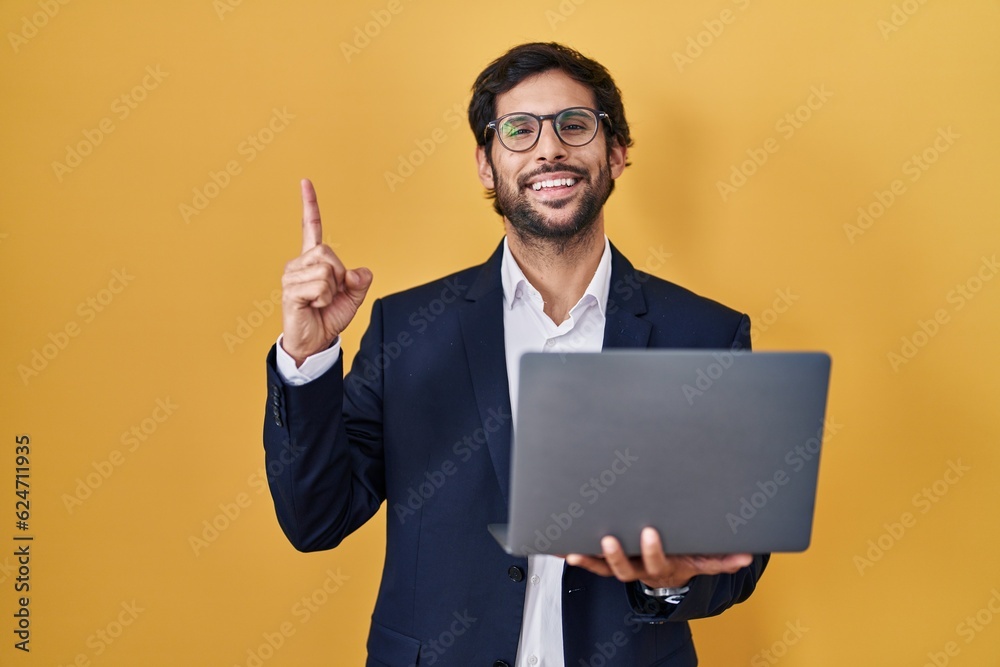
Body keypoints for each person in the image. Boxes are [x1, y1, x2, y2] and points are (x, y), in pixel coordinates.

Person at [264, 42, 767, 666]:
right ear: (486, 163)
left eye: (574, 126)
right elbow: (315, 520)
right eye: (519, 131)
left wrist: (668, 578)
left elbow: (739, 562)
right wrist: (307, 361)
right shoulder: (409, 329)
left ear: (616, 153)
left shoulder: (704, 335)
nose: (549, 149)